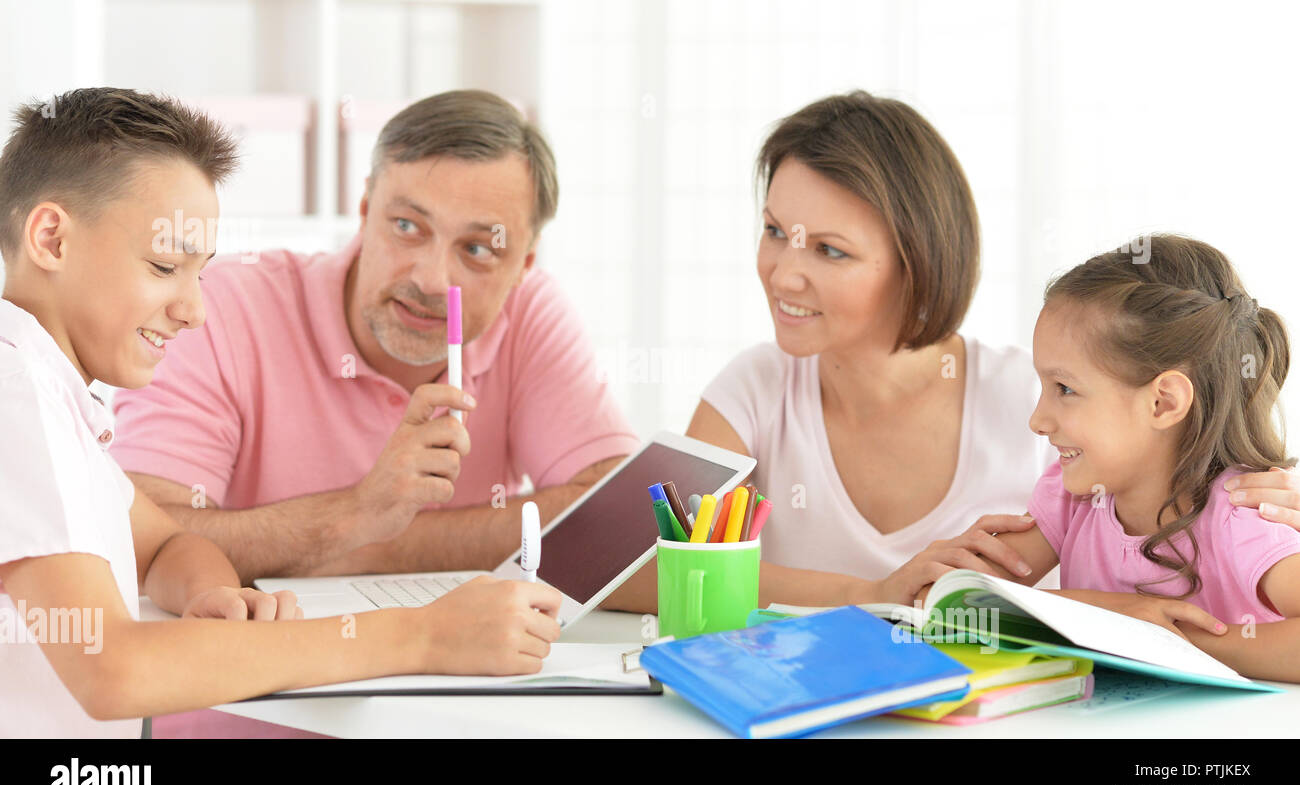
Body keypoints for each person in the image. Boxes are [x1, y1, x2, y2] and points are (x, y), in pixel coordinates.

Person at [0, 88, 563, 738]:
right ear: (50, 238)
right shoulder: (17, 396)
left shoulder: (55, 398)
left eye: (200, 274)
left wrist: (218, 597)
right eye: (163, 266)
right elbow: (113, 671)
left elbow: (168, 546)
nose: (195, 310)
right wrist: (423, 634)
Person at [612, 91, 1300, 613]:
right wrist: (868, 591)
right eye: (773, 231)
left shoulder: (1029, 397)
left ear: (918, 263)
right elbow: (618, 564)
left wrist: (1243, 493)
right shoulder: (754, 388)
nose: (782, 273)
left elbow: (1180, 477)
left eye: (829, 250)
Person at [110, 89, 640, 583]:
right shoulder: (221, 308)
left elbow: (626, 516)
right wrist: (357, 513)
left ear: (523, 264)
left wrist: (383, 546)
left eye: (478, 249)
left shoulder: (529, 313)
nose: (432, 280)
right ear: (364, 212)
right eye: (407, 227)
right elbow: (135, 537)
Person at [939, 234, 1300, 682]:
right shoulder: (1070, 497)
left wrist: (1179, 642)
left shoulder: (1242, 515)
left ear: (1163, 403)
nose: (1038, 420)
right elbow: (959, 604)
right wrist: (1117, 616)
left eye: (1065, 389)